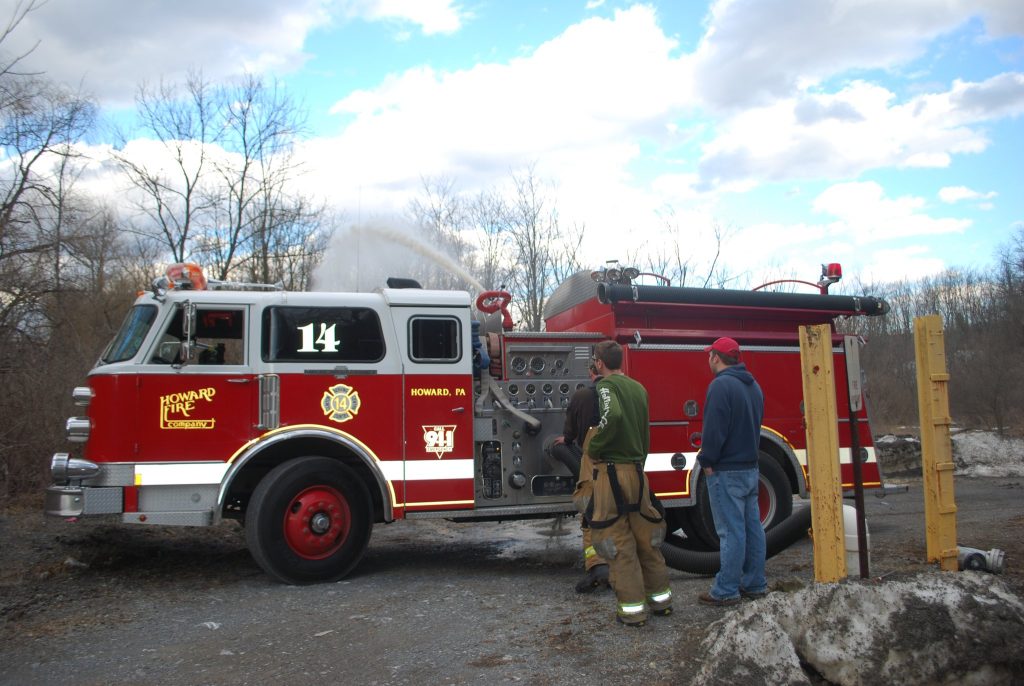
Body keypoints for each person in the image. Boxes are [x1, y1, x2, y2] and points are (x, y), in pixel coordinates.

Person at [579, 340, 672, 626]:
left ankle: (632, 613)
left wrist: (596, 447)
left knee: (616, 542)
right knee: (647, 541)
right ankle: (662, 603)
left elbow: (613, 416)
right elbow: (644, 430)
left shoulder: (606, 386)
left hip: (612, 475)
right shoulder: (639, 388)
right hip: (637, 473)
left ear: (599, 363)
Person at [697, 336, 768, 606]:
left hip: (726, 470)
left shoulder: (720, 387)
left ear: (716, 357)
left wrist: (708, 459)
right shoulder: (754, 386)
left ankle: (726, 589)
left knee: (731, 532)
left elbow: (714, 430)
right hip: (751, 468)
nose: (708, 360)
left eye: (709, 355)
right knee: (752, 529)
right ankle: (755, 583)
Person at [550, 364, 610, 592]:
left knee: (590, 512)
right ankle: (620, 569)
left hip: (591, 461)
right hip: (623, 462)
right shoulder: (625, 392)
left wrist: (565, 440)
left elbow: (571, 431)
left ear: (592, 373)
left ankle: (597, 567)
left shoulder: (582, 395)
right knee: (618, 516)